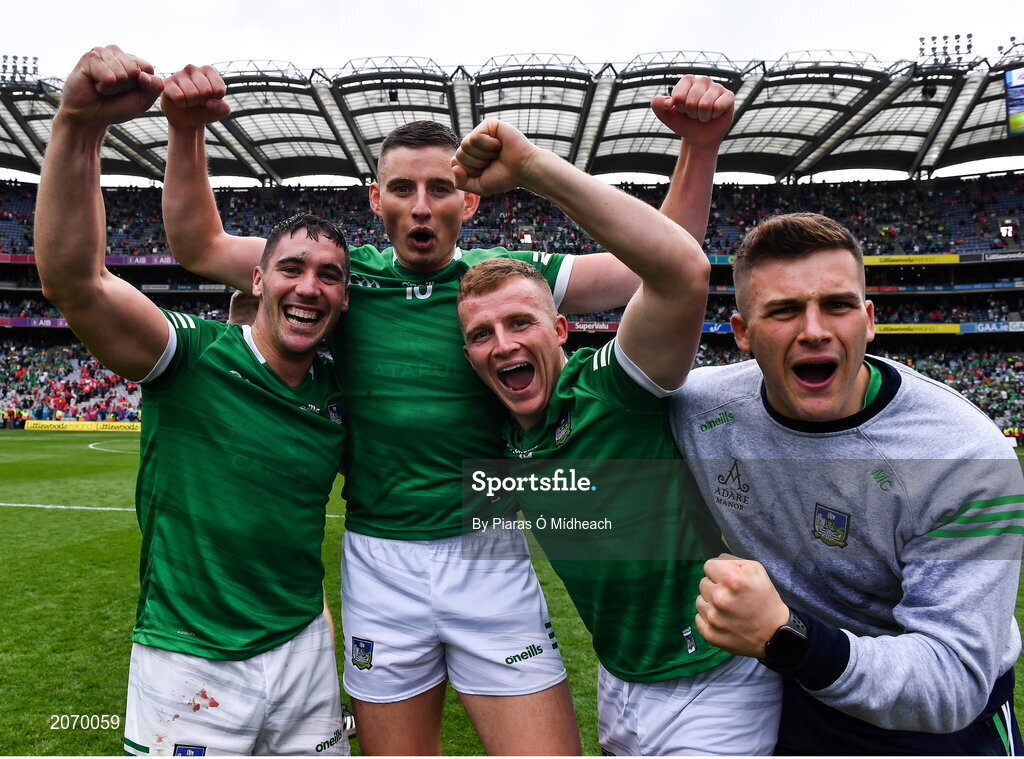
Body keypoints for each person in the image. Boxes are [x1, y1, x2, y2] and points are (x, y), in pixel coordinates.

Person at [160, 62, 733, 754]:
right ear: (377, 199)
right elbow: (198, 245)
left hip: (487, 554)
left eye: (442, 188)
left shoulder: (508, 280)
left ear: (470, 202)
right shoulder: (344, 278)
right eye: (403, 188)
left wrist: (699, 148)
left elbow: (666, 258)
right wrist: (185, 130)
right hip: (380, 563)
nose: (422, 205)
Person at [35, 46, 352, 756]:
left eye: (330, 275)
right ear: (259, 280)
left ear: (344, 297)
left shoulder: (339, 394)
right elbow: (75, 282)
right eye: (292, 268)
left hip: (304, 651)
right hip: (188, 662)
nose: (310, 286)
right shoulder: (193, 354)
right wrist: (77, 125)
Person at [453, 115, 781, 755]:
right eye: (481, 335)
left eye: (521, 321)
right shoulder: (498, 429)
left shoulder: (612, 388)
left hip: (713, 677)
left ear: (561, 331)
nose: (503, 344)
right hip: (620, 680)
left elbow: (682, 269)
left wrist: (532, 171)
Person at [671, 212, 1024, 754]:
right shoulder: (700, 408)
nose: (814, 330)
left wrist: (786, 636)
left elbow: (954, 682)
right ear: (741, 333)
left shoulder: (963, 455)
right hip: (798, 692)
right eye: (784, 310)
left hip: (936, 725)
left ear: (869, 319)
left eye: (836, 305)